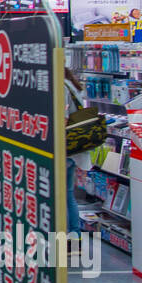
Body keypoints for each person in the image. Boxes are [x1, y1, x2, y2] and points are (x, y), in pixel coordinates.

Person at [64, 67, 92, 233]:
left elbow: (63, 120)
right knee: (68, 193)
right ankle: (73, 233)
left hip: (67, 148)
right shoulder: (70, 84)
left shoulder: (61, 87)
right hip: (74, 148)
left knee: (65, 194)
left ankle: (72, 233)